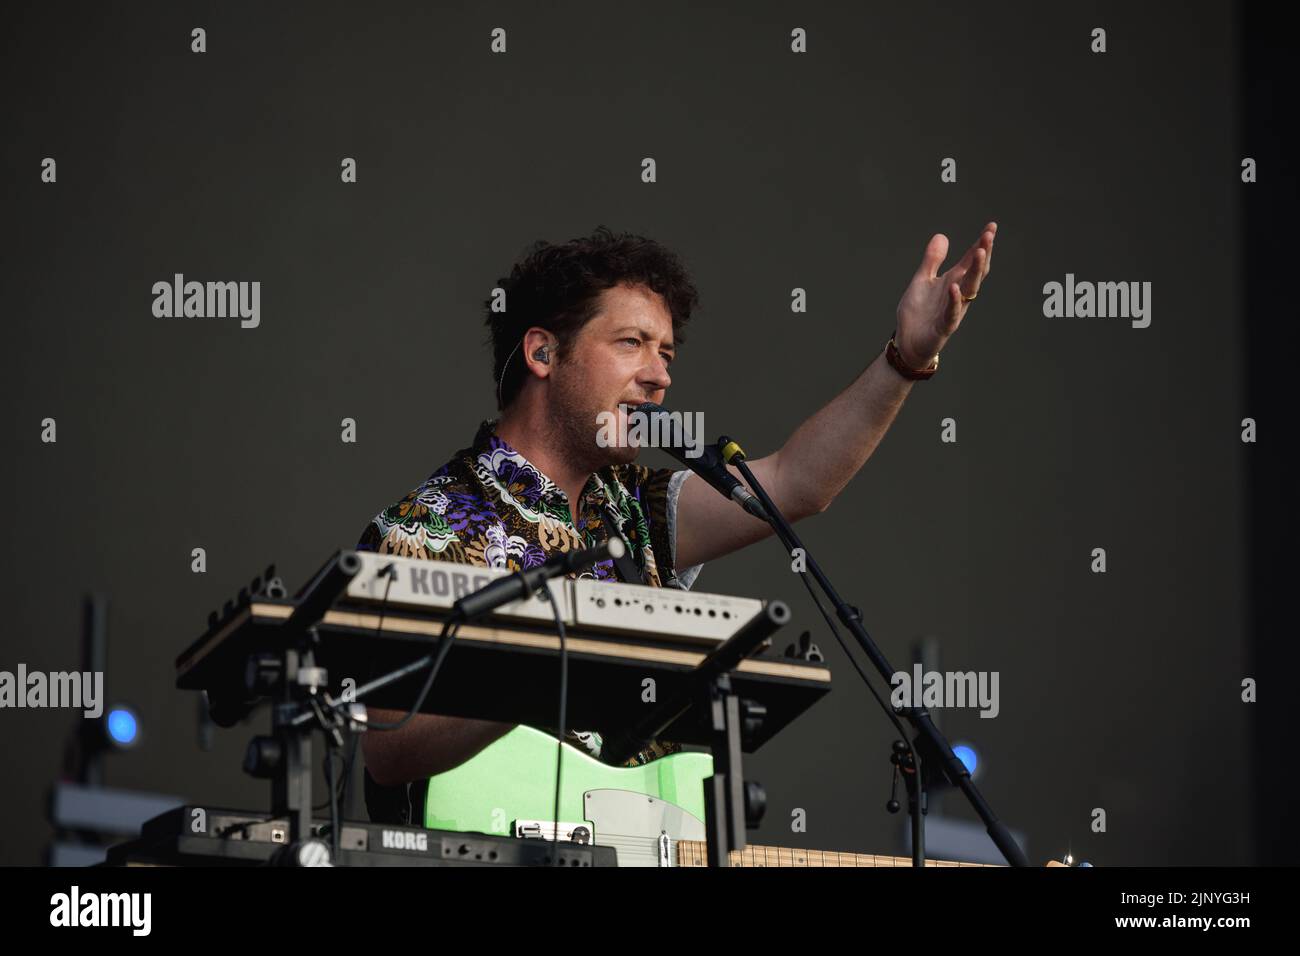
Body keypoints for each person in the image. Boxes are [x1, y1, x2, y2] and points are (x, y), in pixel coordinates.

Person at [357, 223, 995, 826]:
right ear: (543, 351)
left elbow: (795, 484)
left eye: (666, 352)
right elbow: (387, 750)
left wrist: (905, 361)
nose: (661, 375)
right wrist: (550, 666)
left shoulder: (633, 504)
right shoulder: (425, 527)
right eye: (631, 343)